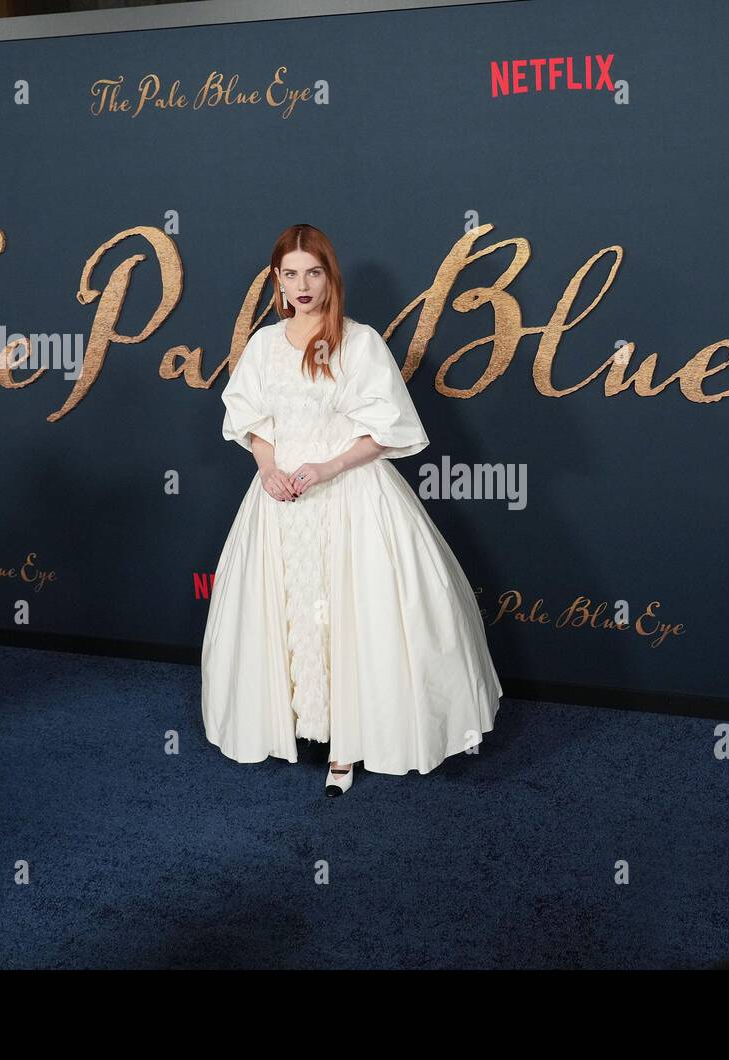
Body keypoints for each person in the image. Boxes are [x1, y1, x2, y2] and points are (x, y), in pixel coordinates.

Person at [201, 224, 503, 796]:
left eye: (312, 272)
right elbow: (250, 420)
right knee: (284, 615)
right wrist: (267, 469)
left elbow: (388, 430)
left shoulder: (359, 342)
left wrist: (327, 468)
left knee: (357, 617)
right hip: (280, 502)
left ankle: (349, 744)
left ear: (328, 275)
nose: (302, 285)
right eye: (290, 274)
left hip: (351, 496)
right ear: (276, 280)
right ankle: (293, 726)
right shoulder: (264, 346)